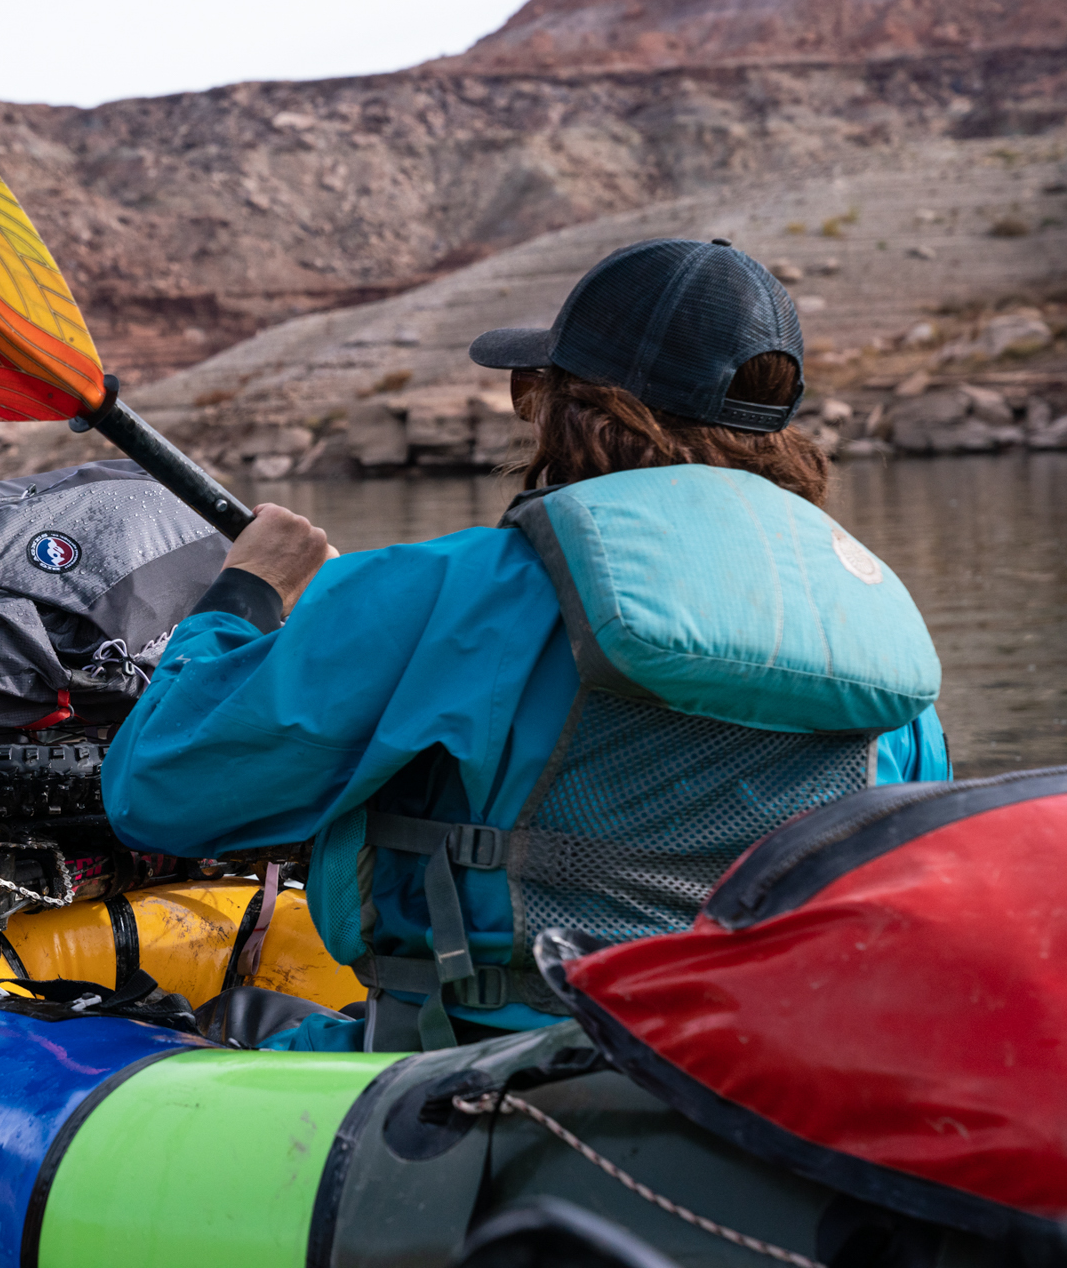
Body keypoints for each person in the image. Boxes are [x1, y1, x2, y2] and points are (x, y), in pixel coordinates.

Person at [104, 238, 948, 1053]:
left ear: (571, 408)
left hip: (466, 1076)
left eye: (530, 391)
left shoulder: (451, 589)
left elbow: (157, 791)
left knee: (194, 1019)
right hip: (760, 1081)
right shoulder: (880, 640)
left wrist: (247, 593)